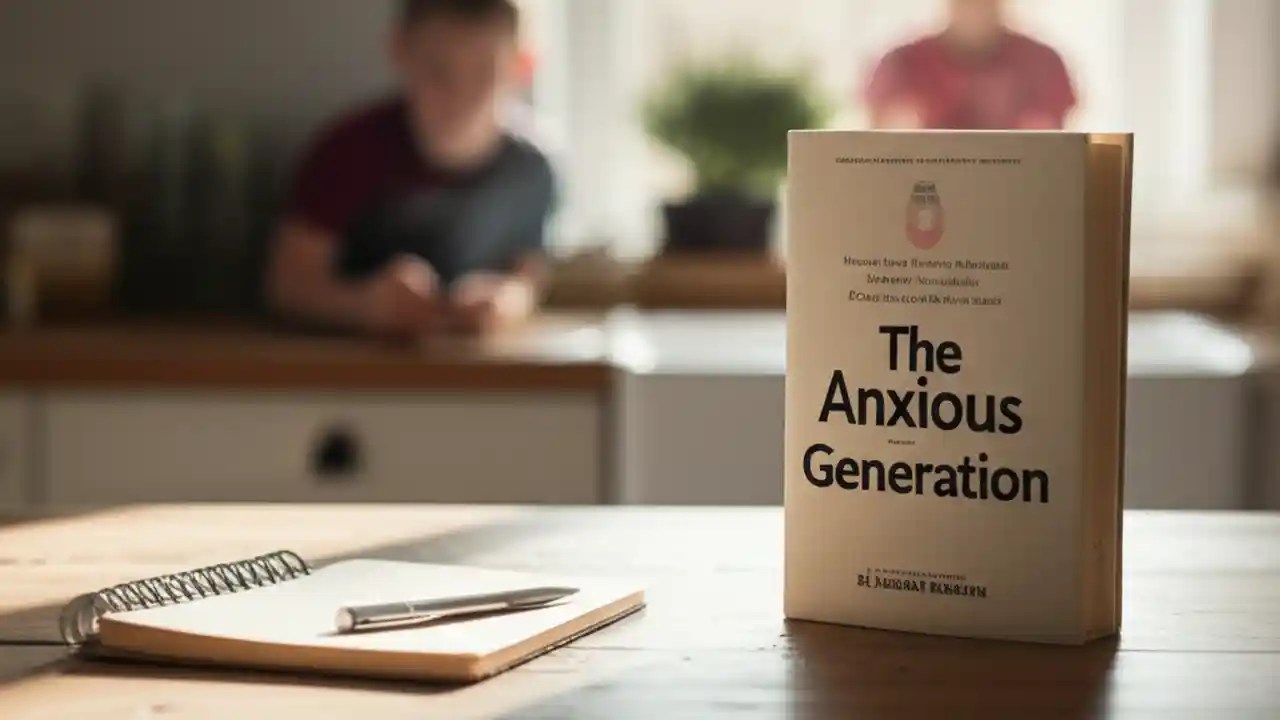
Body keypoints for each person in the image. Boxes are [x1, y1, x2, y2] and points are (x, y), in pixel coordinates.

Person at [267, 0, 554, 338]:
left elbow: (529, 273)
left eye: (483, 72)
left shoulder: (531, 170)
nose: (459, 94)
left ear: (522, 65)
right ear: (400, 51)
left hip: (470, 361)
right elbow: (287, 284)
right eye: (438, 71)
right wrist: (363, 305)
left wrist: (506, 300)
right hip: (355, 362)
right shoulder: (349, 151)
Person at [865, 0, 1076, 130]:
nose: (975, 6)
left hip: (1018, 188)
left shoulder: (1043, 64)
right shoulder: (901, 64)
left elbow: (1053, 152)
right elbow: (881, 150)